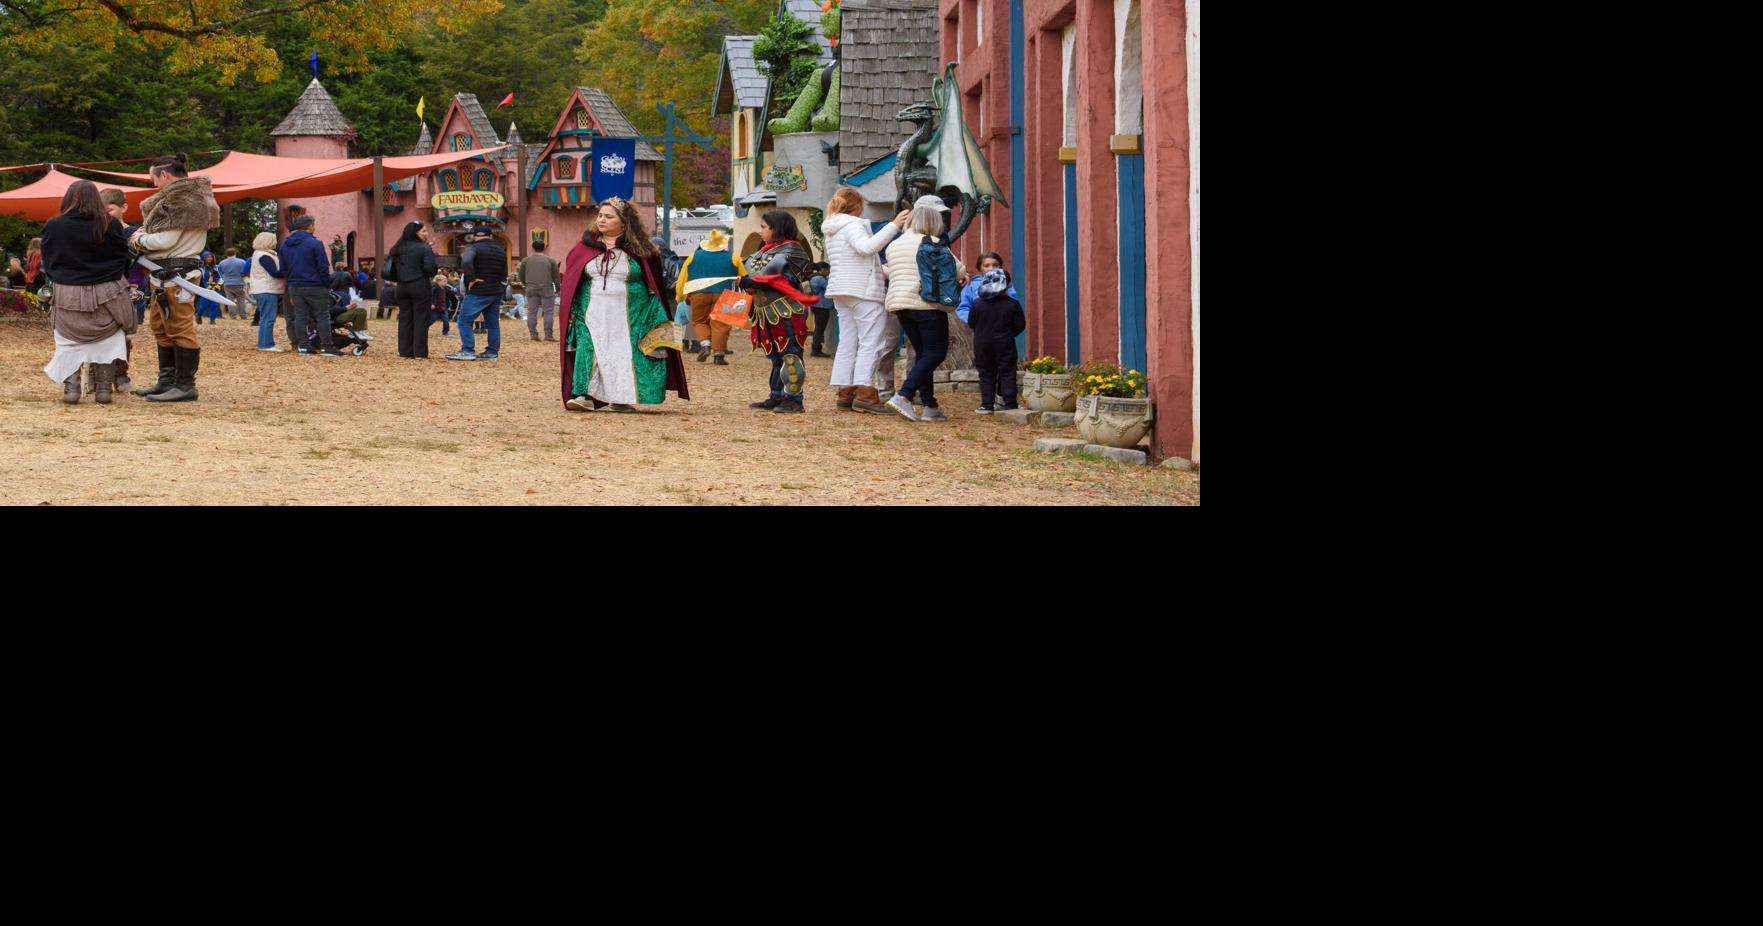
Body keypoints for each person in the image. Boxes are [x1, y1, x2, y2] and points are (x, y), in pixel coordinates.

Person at [559, 197, 689, 412]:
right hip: (591, 311)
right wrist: (572, 307)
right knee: (589, 348)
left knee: (623, 352)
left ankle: (620, 397)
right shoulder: (584, 248)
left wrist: (655, 313)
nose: (602, 220)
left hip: (630, 314)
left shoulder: (641, 251)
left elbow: (653, 283)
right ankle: (583, 395)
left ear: (624, 222)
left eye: (609, 217)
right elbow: (573, 279)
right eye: (600, 215)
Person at [128, 152, 220, 401]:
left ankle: (185, 386)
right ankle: (167, 382)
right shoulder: (180, 200)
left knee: (179, 328)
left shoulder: (184, 202)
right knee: (161, 327)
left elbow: (164, 241)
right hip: (164, 275)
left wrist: (137, 239)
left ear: (164, 175)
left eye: (153, 178)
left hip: (179, 274)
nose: (153, 183)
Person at [40, 180, 135, 404]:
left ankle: (71, 388)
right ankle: (103, 390)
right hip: (107, 291)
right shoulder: (109, 224)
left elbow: (48, 258)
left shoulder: (55, 224)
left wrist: (61, 277)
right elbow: (122, 256)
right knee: (108, 340)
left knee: (67, 341)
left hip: (67, 292)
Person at [820, 188, 909, 413]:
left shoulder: (832, 228)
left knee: (848, 342)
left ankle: (846, 390)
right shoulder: (853, 225)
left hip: (841, 289)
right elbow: (866, 248)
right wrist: (894, 225)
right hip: (863, 290)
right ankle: (866, 392)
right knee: (871, 341)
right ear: (857, 207)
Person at [882, 195, 966, 421]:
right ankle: (905, 395)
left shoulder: (894, 245)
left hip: (900, 305)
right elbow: (959, 270)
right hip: (926, 304)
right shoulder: (934, 243)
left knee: (923, 354)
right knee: (936, 352)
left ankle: (930, 406)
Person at [740, 210, 817, 413]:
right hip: (765, 312)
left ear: (777, 228)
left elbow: (788, 281)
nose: (761, 231)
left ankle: (793, 398)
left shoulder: (793, 251)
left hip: (786, 310)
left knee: (790, 354)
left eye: (764, 227)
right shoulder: (761, 253)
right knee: (775, 356)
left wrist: (755, 282)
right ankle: (776, 395)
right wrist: (747, 285)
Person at [675, 228, 746, 365]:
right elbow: (744, 276)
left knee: (700, 321)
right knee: (721, 323)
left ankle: (705, 345)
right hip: (724, 294)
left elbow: (683, 278)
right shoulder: (733, 257)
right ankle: (719, 354)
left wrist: (681, 295)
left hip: (698, 294)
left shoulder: (694, 256)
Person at [97, 187, 142, 389]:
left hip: (126, 287)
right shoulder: (94, 231)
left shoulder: (134, 234)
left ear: (124, 207)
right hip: (98, 287)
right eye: (102, 212)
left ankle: (121, 375)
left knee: (123, 333)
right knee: (96, 332)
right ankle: (96, 378)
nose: (106, 216)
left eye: (110, 210)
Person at [278, 214, 340, 356]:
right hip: (315, 285)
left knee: (300, 316)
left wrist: (292, 280)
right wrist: (326, 284)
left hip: (294, 285)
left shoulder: (284, 246)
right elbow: (323, 266)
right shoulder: (315, 243)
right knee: (322, 315)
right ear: (310, 226)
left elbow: (283, 268)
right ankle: (326, 346)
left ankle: (304, 346)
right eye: (313, 225)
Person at [967, 268, 1026, 414]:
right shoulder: (1012, 304)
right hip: (1005, 343)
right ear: (1006, 285)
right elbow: (1020, 325)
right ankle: (1010, 402)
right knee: (1007, 371)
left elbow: (971, 323)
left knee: (986, 373)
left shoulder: (977, 304)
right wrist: (1008, 334)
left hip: (982, 343)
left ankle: (987, 404)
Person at [384, 221, 439, 358]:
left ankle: (405, 351)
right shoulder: (424, 248)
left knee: (405, 318)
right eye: (424, 231)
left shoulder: (396, 247)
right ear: (416, 233)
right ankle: (419, 352)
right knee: (421, 319)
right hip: (419, 284)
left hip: (401, 286)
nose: (426, 234)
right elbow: (430, 269)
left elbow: (390, 268)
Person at [450, 229, 505, 361]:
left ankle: (468, 350)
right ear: (490, 236)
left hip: (479, 290)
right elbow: (504, 272)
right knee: (492, 323)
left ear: (474, 237)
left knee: (464, 320)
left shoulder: (472, 247)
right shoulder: (500, 250)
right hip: (496, 290)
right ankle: (492, 353)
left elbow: (467, 262)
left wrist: (472, 278)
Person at [516, 238, 560, 342]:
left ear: (533, 248)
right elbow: (556, 277)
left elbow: (521, 275)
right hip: (547, 288)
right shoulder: (551, 260)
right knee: (548, 312)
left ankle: (533, 334)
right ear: (544, 248)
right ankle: (548, 335)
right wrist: (558, 288)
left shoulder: (525, 260)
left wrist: (525, 284)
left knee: (532, 311)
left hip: (531, 288)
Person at [247, 231, 285, 352]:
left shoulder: (258, 254)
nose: (275, 242)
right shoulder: (265, 256)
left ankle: (266, 342)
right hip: (266, 289)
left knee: (265, 317)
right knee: (268, 318)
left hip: (262, 288)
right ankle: (266, 345)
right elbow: (274, 273)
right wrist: (290, 271)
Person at [955, 251, 1015, 323]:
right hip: (979, 329)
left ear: (1000, 266)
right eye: (987, 266)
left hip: (1002, 328)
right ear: (980, 268)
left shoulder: (1006, 285)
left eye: (995, 265)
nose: (991, 268)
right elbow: (963, 308)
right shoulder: (971, 286)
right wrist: (972, 322)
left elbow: (1012, 304)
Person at [807, 261, 832, 357]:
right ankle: (816, 350)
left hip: (816, 305)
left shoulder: (814, 277)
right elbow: (829, 287)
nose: (829, 272)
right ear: (822, 269)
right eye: (828, 270)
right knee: (820, 328)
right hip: (821, 306)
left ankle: (816, 348)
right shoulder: (820, 279)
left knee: (819, 327)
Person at [217, 247, 248, 320]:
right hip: (239, 282)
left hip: (227, 283)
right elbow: (245, 272)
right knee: (241, 300)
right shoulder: (242, 262)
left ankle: (233, 316)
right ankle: (243, 316)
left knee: (230, 300)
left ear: (226, 254)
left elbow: (219, 273)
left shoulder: (222, 262)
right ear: (235, 253)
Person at [193, 251, 223, 324]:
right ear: (204, 258)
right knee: (204, 305)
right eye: (207, 257)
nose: (209, 258)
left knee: (215, 304)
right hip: (205, 289)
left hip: (216, 288)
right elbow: (199, 279)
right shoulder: (201, 268)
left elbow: (221, 278)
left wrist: (218, 285)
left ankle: (212, 320)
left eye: (210, 257)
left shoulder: (216, 267)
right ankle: (198, 315)